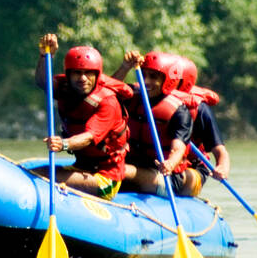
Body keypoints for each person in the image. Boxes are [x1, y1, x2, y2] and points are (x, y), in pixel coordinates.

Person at [30, 34, 131, 199]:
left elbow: (88, 138)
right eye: (77, 73)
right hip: (80, 167)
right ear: (68, 75)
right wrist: (46, 55)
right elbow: (44, 82)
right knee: (32, 173)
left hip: (105, 179)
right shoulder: (66, 88)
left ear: (97, 75)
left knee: (43, 176)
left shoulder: (108, 102)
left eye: (88, 73)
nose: (83, 78)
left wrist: (63, 144)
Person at [113, 50, 203, 197]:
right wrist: (125, 67)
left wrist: (170, 164)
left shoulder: (179, 111)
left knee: (121, 170)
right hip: (132, 165)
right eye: (144, 75)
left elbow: (178, 148)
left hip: (165, 177)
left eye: (153, 77)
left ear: (166, 80)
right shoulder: (132, 96)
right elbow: (109, 91)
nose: (146, 81)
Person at [175, 57, 231, 182]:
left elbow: (220, 151)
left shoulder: (199, 109)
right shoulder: (147, 101)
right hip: (155, 165)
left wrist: (222, 167)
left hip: (191, 168)